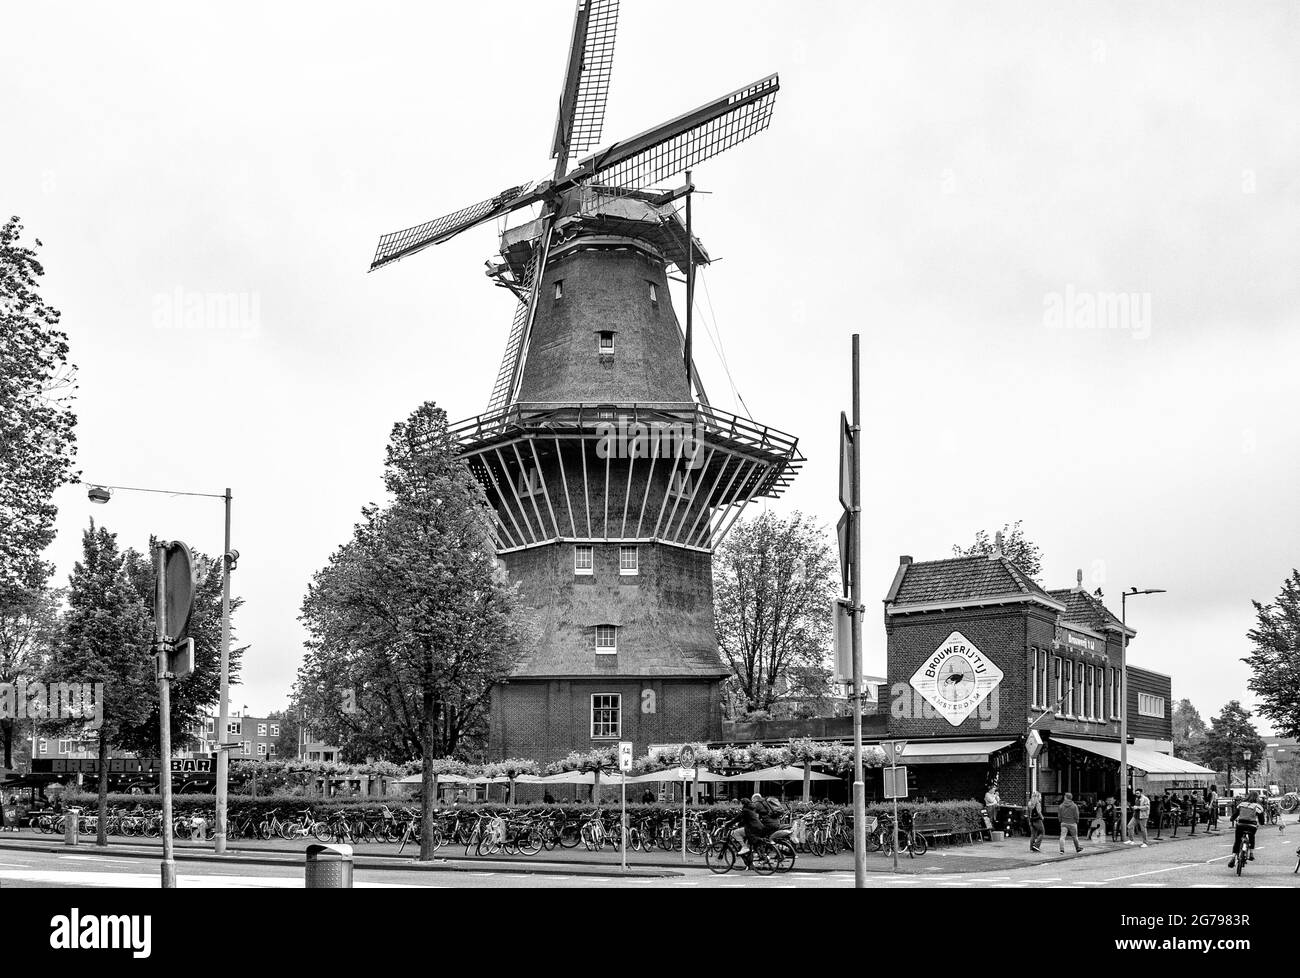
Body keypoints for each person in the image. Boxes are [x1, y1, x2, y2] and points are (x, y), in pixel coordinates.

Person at [1228, 790, 1264, 869]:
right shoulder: (1258, 806)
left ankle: (1233, 857)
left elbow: (1235, 815)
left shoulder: (1241, 804)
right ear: (1257, 798)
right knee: (1252, 837)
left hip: (1240, 824)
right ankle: (1251, 853)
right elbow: (1262, 821)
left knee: (1237, 841)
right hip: (1251, 825)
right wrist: (1261, 823)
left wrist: (1232, 819)